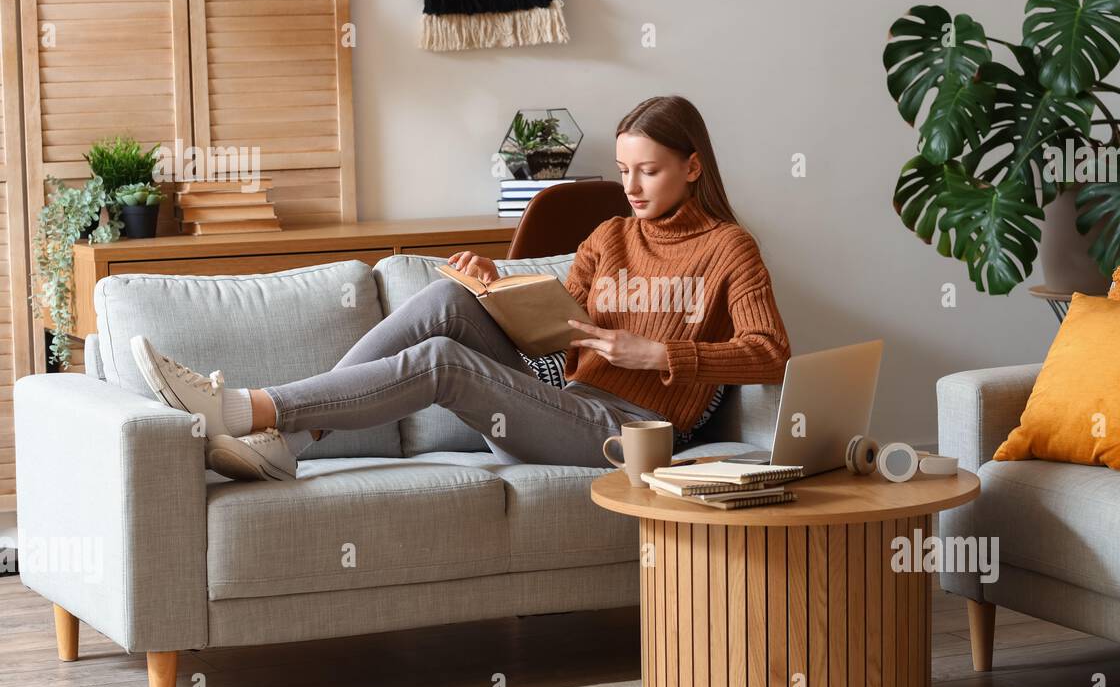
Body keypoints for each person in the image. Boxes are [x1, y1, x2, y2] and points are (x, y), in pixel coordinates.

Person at [130, 95, 791, 481]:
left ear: (693, 166)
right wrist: (496, 288)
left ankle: (248, 410)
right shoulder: (610, 236)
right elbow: (564, 332)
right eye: (623, 171)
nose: (633, 187)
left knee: (444, 364)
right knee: (450, 302)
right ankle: (292, 444)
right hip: (563, 408)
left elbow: (771, 352)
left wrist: (662, 356)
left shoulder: (730, 248)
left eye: (649, 171)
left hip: (627, 434)